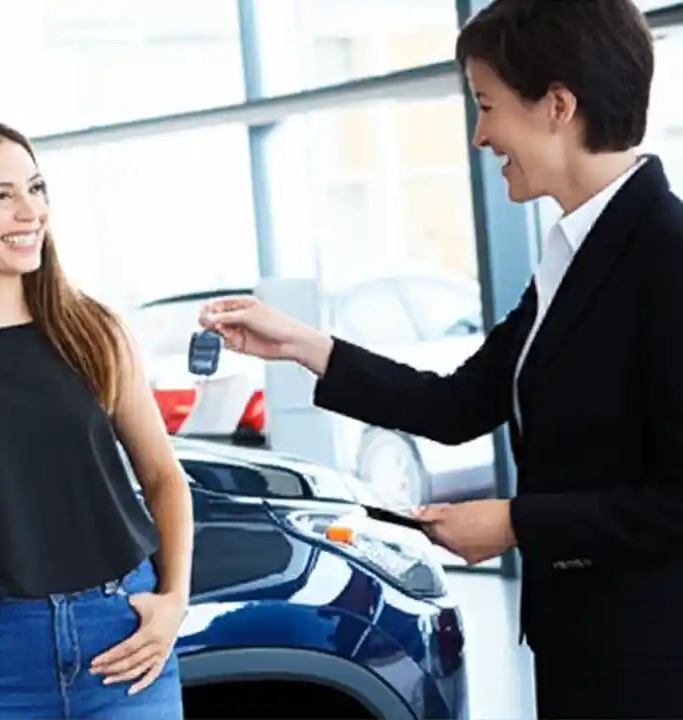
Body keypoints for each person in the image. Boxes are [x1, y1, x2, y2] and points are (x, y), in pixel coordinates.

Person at [200, 1, 683, 717]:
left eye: (487, 106)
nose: (482, 134)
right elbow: (458, 404)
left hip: (654, 659)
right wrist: (304, 345)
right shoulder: (574, 257)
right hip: (586, 644)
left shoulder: (665, 254)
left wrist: (517, 523)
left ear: (558, 105)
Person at [0, 117, 194, 720]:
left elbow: (165, 477)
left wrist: (172, 601)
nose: (30, 211)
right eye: (1, 195)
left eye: (36, 189)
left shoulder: (91, 331)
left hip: (121, 631)